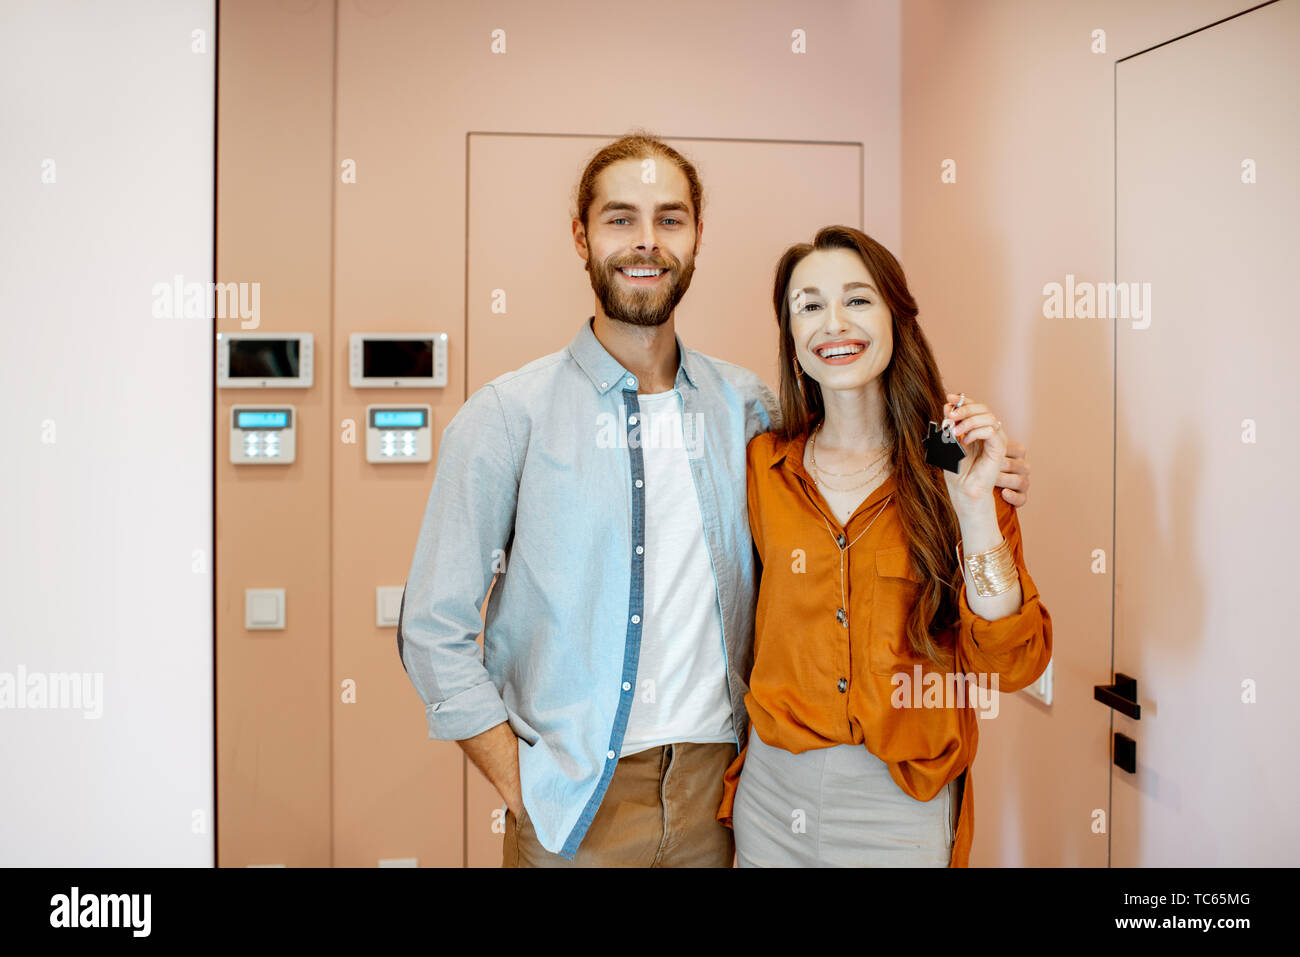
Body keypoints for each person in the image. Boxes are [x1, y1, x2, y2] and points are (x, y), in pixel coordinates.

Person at [396, 132, 1033, 867]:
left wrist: (979, 486)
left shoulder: (750, 414)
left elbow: (865, 467)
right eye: (619, 219)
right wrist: (524, 785)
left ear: (698, 236)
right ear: (581, 235)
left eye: (669, 219)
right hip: (575, 801)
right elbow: (431, 629)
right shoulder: (510, 415)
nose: (646, 242)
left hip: (726, 797)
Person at [719, 225, 1052, 867]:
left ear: (897, 316)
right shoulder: (764, 466)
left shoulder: (957, 465)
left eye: (857, 299)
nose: (833, 323)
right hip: (772, 792)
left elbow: (1011, 668)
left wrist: (977, 510)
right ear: (792, 339)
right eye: (808, 306)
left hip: (901, 803)